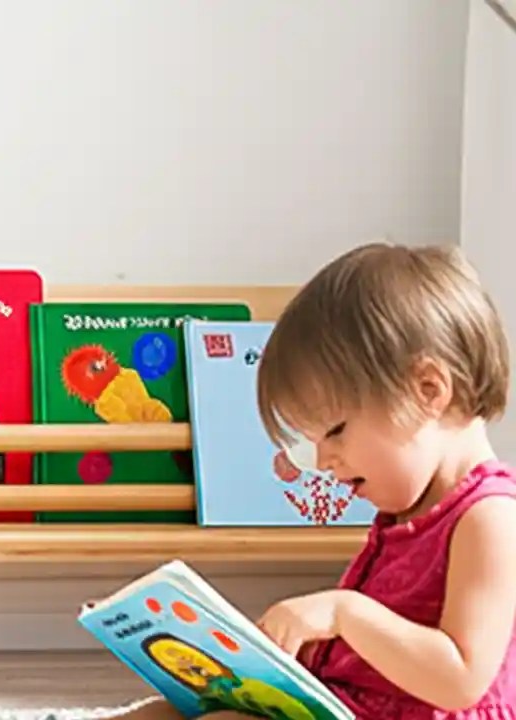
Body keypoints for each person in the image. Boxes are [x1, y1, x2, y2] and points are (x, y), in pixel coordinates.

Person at [117, 242, 516, 719]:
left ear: (427, 389)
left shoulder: (490, 518)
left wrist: (344, 614)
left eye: (337, 431)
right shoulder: (405, 516)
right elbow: (372, 659)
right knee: (155, 714)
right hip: (349, 707)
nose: (325, 460)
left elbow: (461, 679)